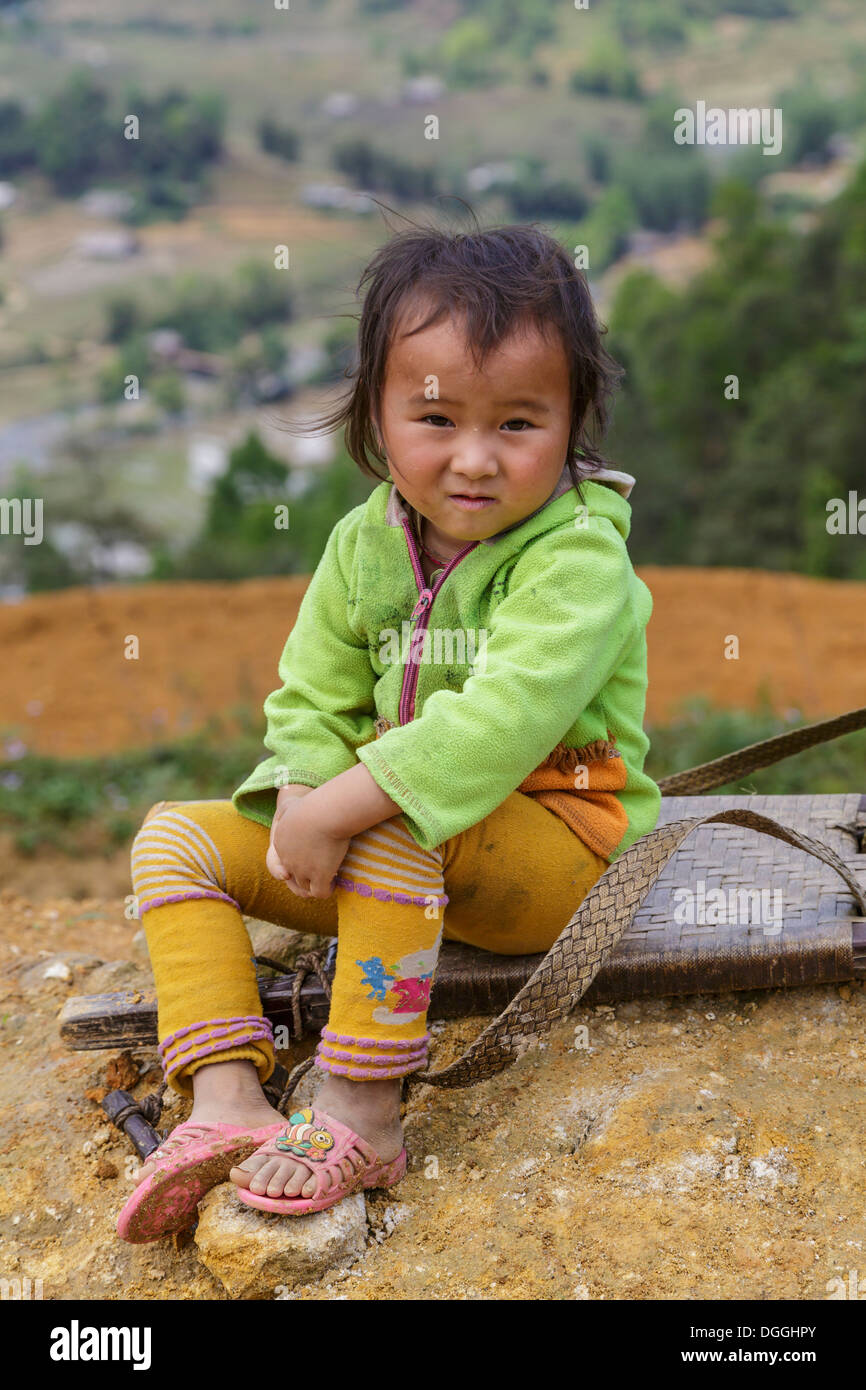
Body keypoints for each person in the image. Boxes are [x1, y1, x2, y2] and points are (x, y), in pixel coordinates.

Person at [116, 221, 660, 1244]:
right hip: (393, 858)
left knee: (387, 825)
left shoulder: (577, 557)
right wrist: (295, 800)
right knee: (175, 837)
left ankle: (362, 1114)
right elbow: (309, 698)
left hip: (556, 858)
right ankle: (225, 1098)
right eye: (435, 417)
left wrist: (342, 808)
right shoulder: (364, 542)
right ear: (374, 411)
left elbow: (494, 729)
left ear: (573, 422)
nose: (472, 458)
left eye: (516, 424)